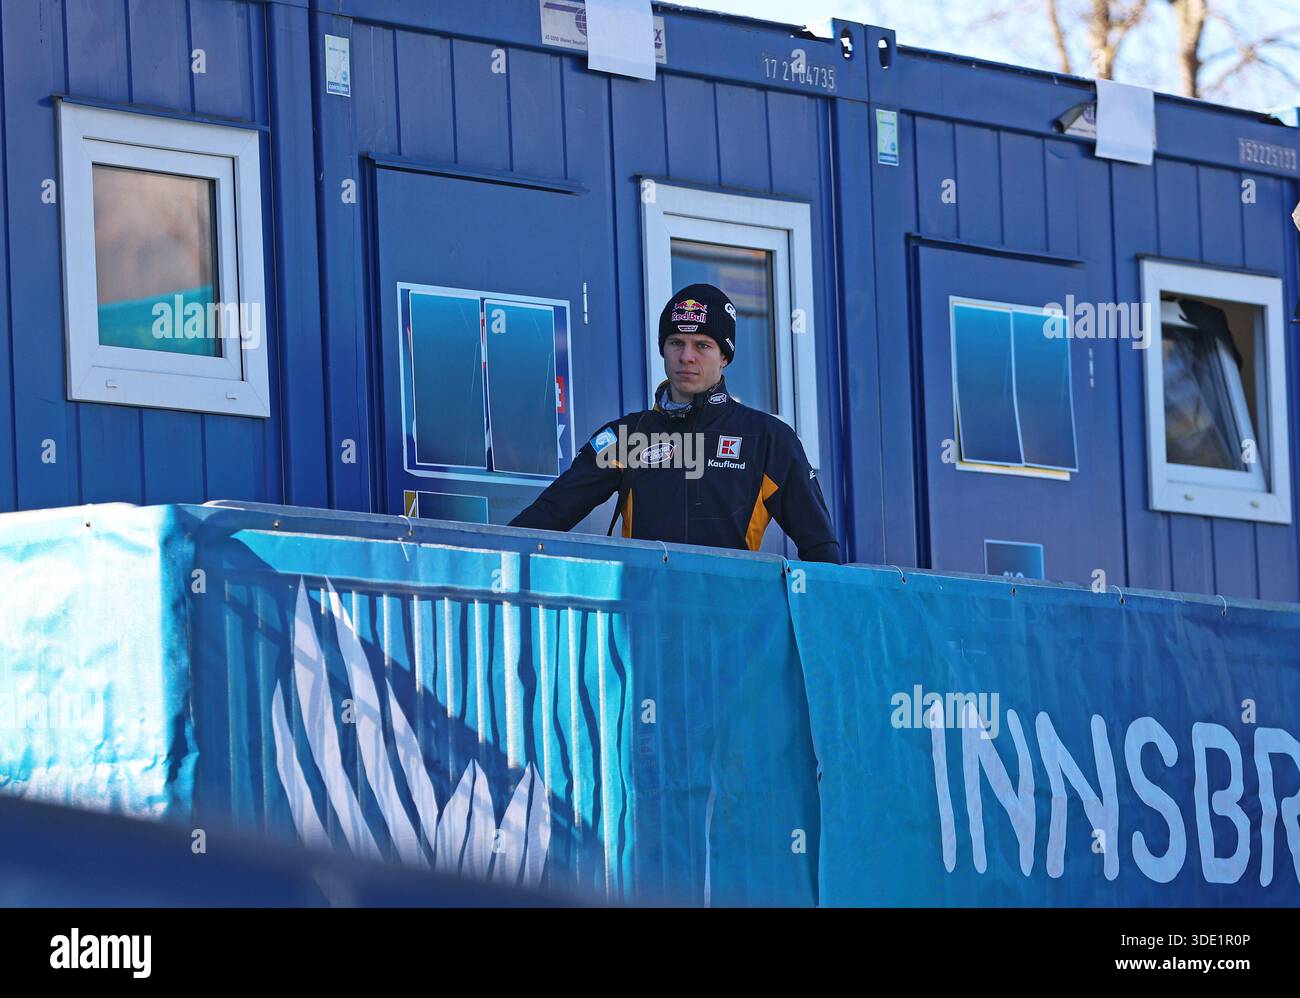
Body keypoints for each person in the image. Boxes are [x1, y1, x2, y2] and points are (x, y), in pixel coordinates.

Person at [509, 283, 842, 564]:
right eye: (676, 343)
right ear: (663, 350)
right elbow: (550, 513)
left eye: (703, 345)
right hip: (644, 614)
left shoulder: (768, 439)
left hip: (730, 616)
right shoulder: (626, 437)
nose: (686, 356)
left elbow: (820, 548)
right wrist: (493, 558)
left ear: (725, 357)